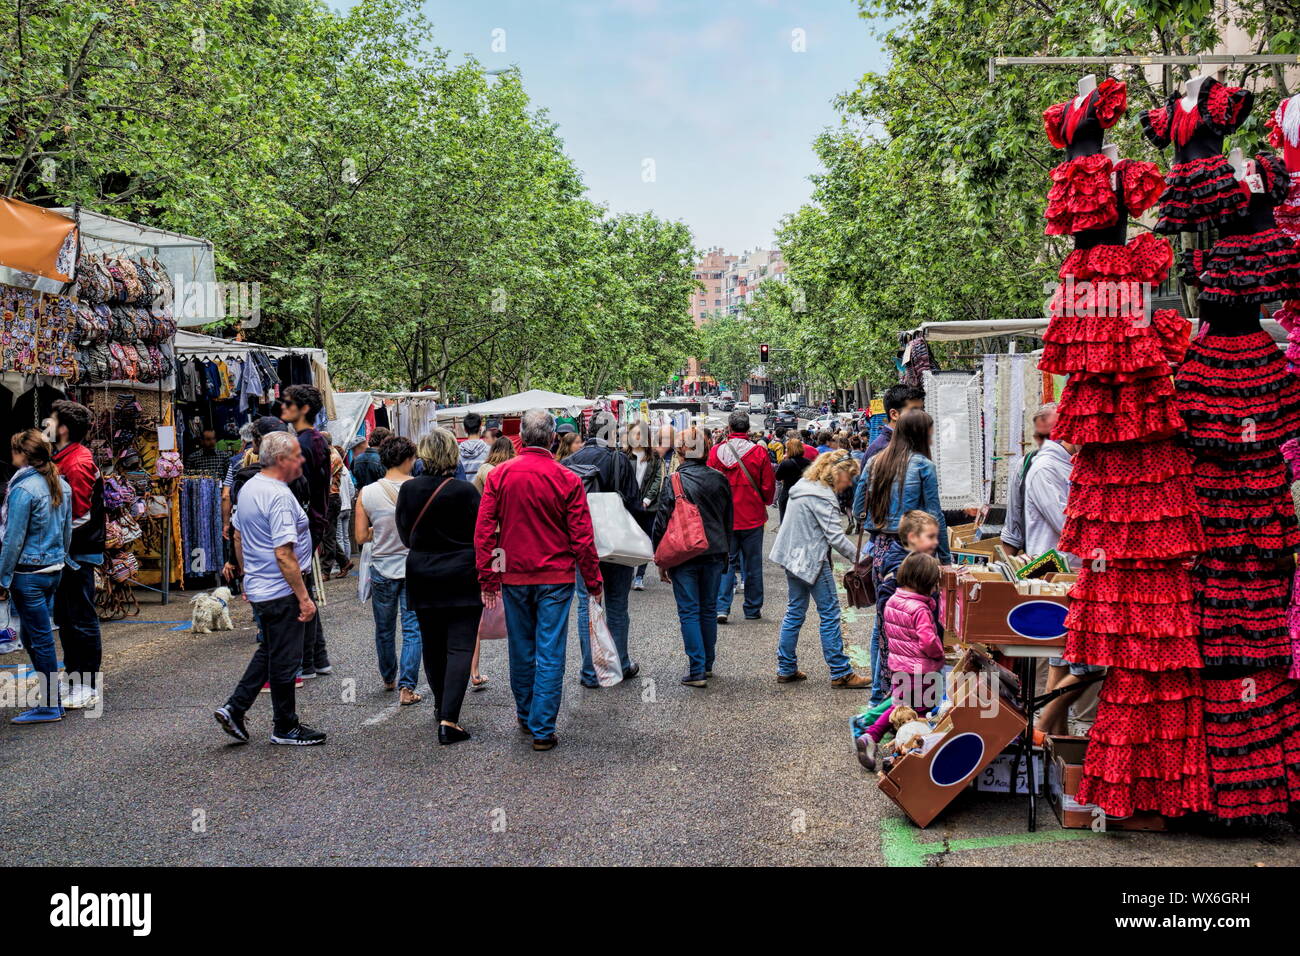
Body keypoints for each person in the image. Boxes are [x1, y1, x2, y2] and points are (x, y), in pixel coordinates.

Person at [474, 409, 602, 751]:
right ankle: (543, 727)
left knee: (521, 646)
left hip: (514, 573)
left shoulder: (500, 476)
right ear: (551, 438)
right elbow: (582, 536)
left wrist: (487, 577)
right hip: (555, 577)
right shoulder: (567, 479)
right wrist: (593, 580)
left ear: (523, 438)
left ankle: (526, 712)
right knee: (550, 650)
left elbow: (484, 531)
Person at [214, 431, 325, 746]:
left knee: (271, 652)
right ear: (280, 460)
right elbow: (283, 553)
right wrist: (304, 598)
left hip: (264, 586)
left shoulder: (251, 487)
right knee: (286, 660)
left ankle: (235, 708)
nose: (302, 459)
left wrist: (249, 576)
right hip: (280, 590)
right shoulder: (276, 495)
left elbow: (239, 535)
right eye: (296, 455)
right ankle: (285, 726)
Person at [396, 429, 482, 744]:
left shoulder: (409, 490)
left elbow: (405, 536)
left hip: (422, 572)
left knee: (432, 645)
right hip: (461, 572)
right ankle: (449, 718)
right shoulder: (466, 491)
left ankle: (439, 705)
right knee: (460, 645)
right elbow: (479, 535)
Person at [1022, 434, 1103, 735]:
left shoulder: (1064, 465)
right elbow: (1066, 523)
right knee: (1079, 660)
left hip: (1069, 570)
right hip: (1058, 570)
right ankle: (1048, 728)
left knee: (1066, 655)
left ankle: (1053, 733)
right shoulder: (1046, 468)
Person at [769, 451, 870, 687]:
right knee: (830, 614)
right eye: (848, 477)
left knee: (794, 612)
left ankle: (786, 667)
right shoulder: (822, 496)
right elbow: (836, 537)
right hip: (811, 560)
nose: (848, 484)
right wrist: (863, 559)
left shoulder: (804, 486)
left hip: (791, 556)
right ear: (837, 473)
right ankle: (840, 671)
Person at [0, 430, 73, 723]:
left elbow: (13, 539)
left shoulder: (23, 488)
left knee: (40, 640)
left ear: (23, 455)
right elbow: (68, 530)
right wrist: (60, 559)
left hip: (28, 573)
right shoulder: (61, 484)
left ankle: (51, 703)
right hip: (53, 569)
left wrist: (2, 579)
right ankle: (51, 699)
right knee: (34, 635)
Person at [651, 427, 732, 687]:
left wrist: (660, 558)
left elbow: (661, 521)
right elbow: (727, 519)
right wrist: (725, 550)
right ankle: (707, 664)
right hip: (714, 550)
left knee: (689, 611)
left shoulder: (675, 480)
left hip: (683, 552)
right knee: (708, 608)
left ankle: (696, 669)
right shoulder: (720, 479)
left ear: (682, 450)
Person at [565, 411, 641, 687]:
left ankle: (589, 671)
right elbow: (633, 503)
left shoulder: (570, 463)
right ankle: (619, 663)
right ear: (611, 433)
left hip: (583, 543)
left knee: (586, 606)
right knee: (618, 606)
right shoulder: (620, 460)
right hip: (617, 542)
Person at [855, 552, 946, 770]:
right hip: (921, 670)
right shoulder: (920, 609)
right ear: (926, 583)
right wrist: (939, 653)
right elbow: (927, 641)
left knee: (899, 706)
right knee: (922, 712)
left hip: (899, 666)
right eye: (935, 584)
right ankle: (915, 757)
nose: (936, 588)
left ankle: (871, 737)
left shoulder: (893, 600)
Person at [356, 435, 423, 705]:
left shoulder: (367, 493)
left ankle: (388, 677)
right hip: (413, 566)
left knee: (384, 628)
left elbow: (361, 537)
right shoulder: (419, 488)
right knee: (412, 628)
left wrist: (379, 529)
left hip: (381, 566)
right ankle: (407, 688)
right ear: (408, 459)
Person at [48, 400, 104, 710]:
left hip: (77, 551)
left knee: (80, 617)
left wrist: (55, 540)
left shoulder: (77, 462)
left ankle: (87, 683)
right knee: (67, 618)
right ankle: (75, 679)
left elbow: (80, 514)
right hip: (68, 549)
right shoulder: (63, 457)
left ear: (64, 428)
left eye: (51, 420)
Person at [280, 384, 332, 679]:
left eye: (289, 403)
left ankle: (306, 661)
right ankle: (317, 657)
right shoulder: (313, 441)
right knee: (305, 589)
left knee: (299, 592)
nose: (284, 407)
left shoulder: (305, 444)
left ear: (304, 409)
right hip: (312, 521)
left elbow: (304, 488)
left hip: (305, 523)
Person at [708, 409, 776, 623]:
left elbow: (709, 486)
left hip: (724, 517)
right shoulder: (758, 452)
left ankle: (721, 607)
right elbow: (768, 487)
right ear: (748, 429)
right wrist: (763, 501)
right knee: (753, 564)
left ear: (729, 428)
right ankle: (752, 608)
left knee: (725, 563)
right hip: (752, 516)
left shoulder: (715, 452)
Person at [869, 509, 941, 703]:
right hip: (911, 654)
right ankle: (877, 710)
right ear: (911, 537)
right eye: (931, 537)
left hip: (904, 651)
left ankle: (878, 704)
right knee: (904, 698)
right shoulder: (902, 568)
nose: (936, 542)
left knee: (899, 695)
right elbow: (887, 603)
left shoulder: (907, 559)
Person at [468, 437, 516, 689]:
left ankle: (474, 669)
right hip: (497, 540)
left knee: (484, 602)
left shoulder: (484, 470)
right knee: (495, 596)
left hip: (490, 539)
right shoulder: (492, 472)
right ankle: (474, 669)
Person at [852, 384, 926, 521]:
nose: (921, 416)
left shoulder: (909, 444)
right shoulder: (881, 449)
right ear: (894, 414)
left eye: (922, 410)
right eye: (914, 410)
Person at [1002, 403, 1059, 555]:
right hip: (1040, 565)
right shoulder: (1026, 464)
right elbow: (1013, 526)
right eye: (1042, 436)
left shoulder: (1083, 467)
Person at [627, 422, 665, 592]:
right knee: (628, 539)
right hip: (629, 504)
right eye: (635, 434)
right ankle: (627, 572)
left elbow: (658, 478)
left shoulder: (654, 456)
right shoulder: (624, 455)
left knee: (646, 539)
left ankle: (640, 575)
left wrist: (648, 499)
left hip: (648, 506)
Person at [318, 432, 353, 579]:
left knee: (329, 535)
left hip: (332, 498)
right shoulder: (327, 455)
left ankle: (327, 570)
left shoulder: (333, 457)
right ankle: (344, 562)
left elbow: (323, 475)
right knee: (328, 534)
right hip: (328, 498)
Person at [774, 435, 811, 521]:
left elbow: (778, 477)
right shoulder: (808, 462)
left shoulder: (786, 463)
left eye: (787, 448)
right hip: (803, 495)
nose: (785, 450)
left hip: (788, 493)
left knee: (785, 521)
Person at [458, 412, 490, 481]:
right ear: (480, 427)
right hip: (482, 491)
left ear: (465, 430)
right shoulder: (489, 450)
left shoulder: (456, 452)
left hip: (463, 490)